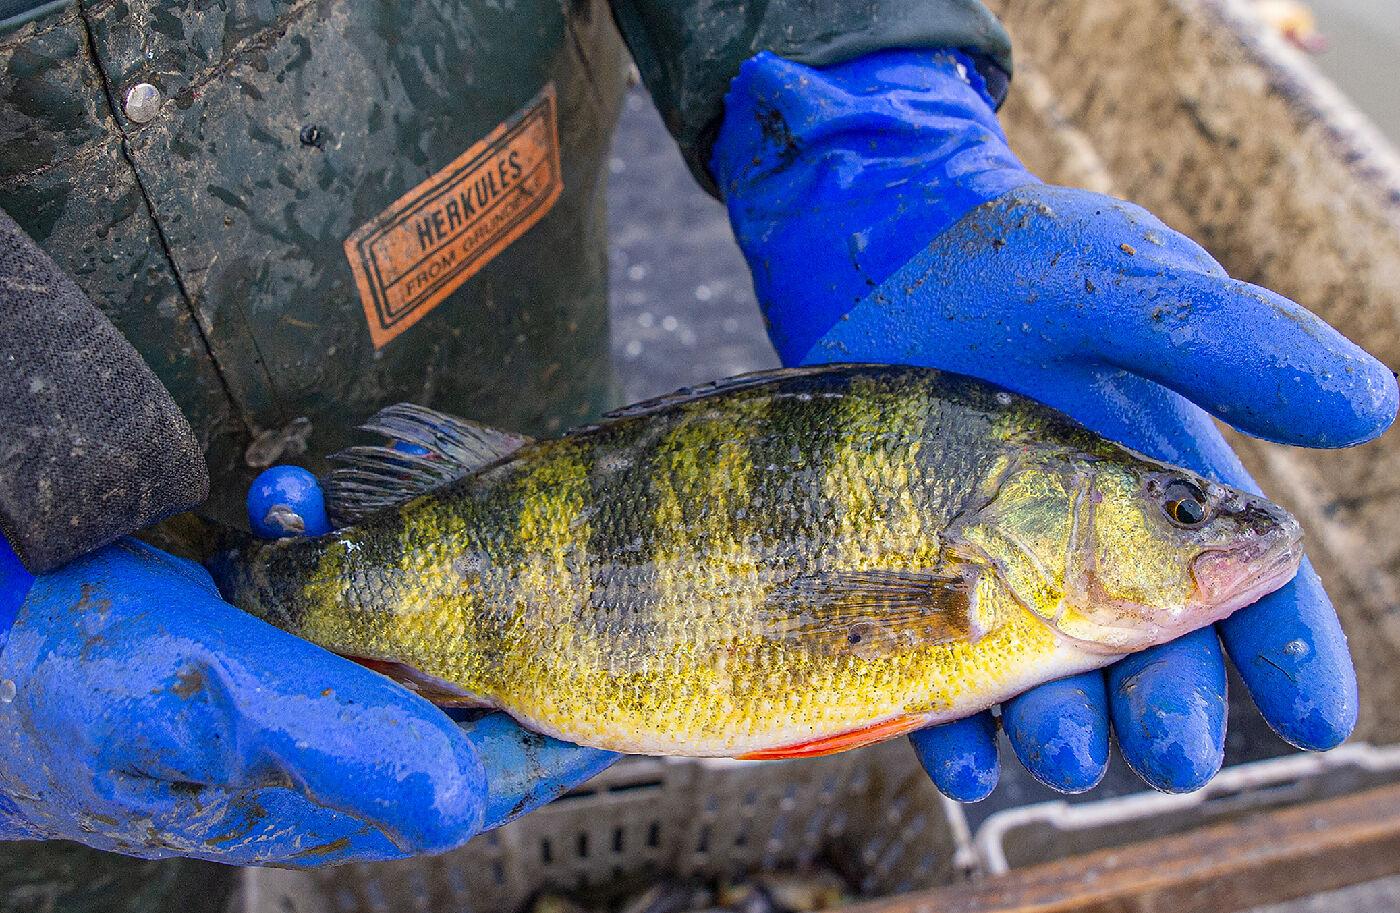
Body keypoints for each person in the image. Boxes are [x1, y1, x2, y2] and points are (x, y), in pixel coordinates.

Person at [0, 0, 1393, 907]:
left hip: (483, 345)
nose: (1211, 522)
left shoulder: (990, 563)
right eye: (1168, 500)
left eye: (1175, 501)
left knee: (323, 776)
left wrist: (860, 99)